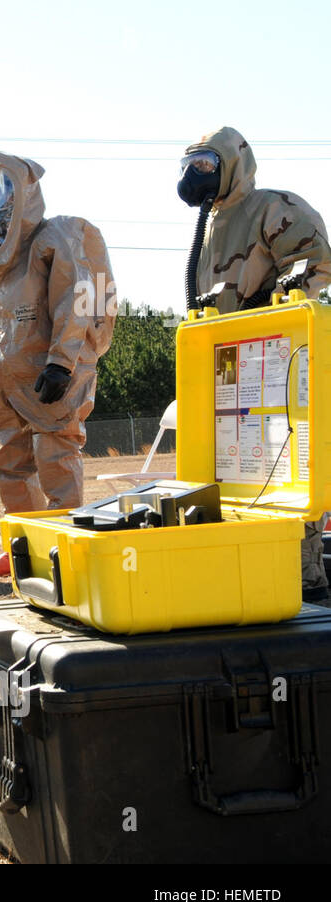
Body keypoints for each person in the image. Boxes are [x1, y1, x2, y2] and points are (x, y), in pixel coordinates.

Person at [178, 127, 331, 601]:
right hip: (227, 368)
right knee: (232, 478)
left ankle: (309, 595)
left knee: (286, 474)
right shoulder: (209, 229)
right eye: (189, 166)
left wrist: (272, 301)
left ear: (233, 163)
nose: (193, 176)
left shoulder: (272, 206)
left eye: (206, 164)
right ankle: (254, 592)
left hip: (276, 363)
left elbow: (318, 262)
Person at [0, 152, 117, 577]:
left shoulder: (55, 238)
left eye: (2, 194)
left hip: (50, 375)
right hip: (5, 381)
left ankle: (64, 551)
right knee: (8, 462)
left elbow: (77, 297)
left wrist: (62, 363)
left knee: (55, 455)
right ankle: (22, 549)